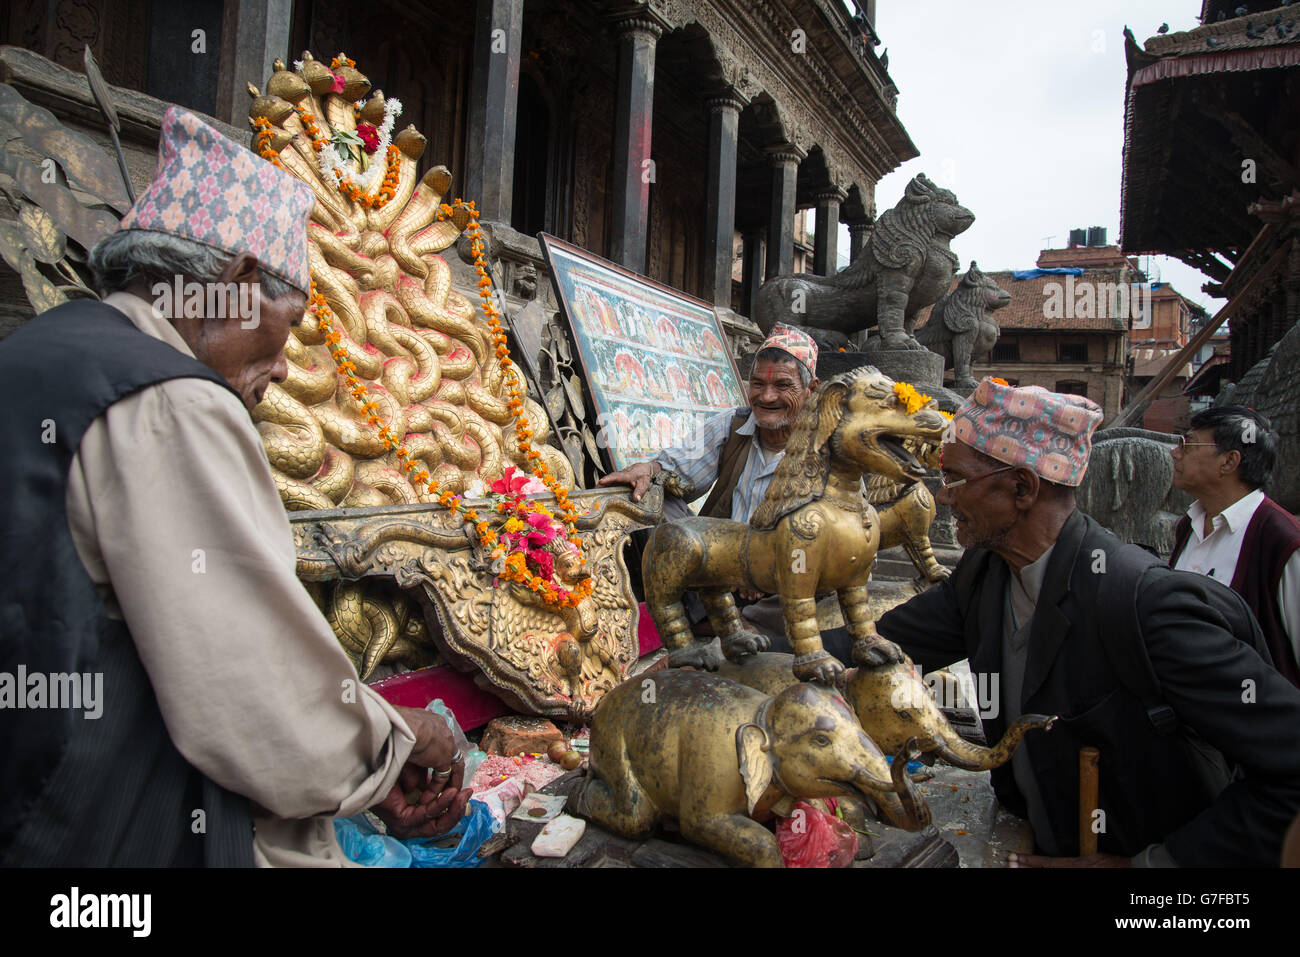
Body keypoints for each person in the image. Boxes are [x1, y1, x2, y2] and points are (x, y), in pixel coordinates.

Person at [0, 108, 470, 867]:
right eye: (291, 320)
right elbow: (251, 692)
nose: (285, 364)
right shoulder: (173, 398)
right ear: (241, 283)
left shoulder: (41, 352)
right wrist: (390, 742)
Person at [875, 378, 1300, 867]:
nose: (944, 498)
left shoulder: (1144, 606)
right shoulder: (985, 576)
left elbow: (1290, 767)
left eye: (954, 479)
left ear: (1021, 488)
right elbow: (879, 644)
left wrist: (1152, 866)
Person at [597, 325, 819, 642]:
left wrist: (766, 567)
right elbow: (679, 471)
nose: (767, 397)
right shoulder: (735, 424)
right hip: (718, 572)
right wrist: (649, 468)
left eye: (783, 385)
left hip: (777, 582)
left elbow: (839, 532)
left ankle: (739, 624)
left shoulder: (827, 449)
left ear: (811, 389)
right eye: (758, 384)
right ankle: (709, 617)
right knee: (649, 498)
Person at [1169, 405, 1300, 687]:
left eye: (1187, 443)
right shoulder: (1188, 526)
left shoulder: (1283, 541)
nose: (1174, 452)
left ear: (1228, 462)